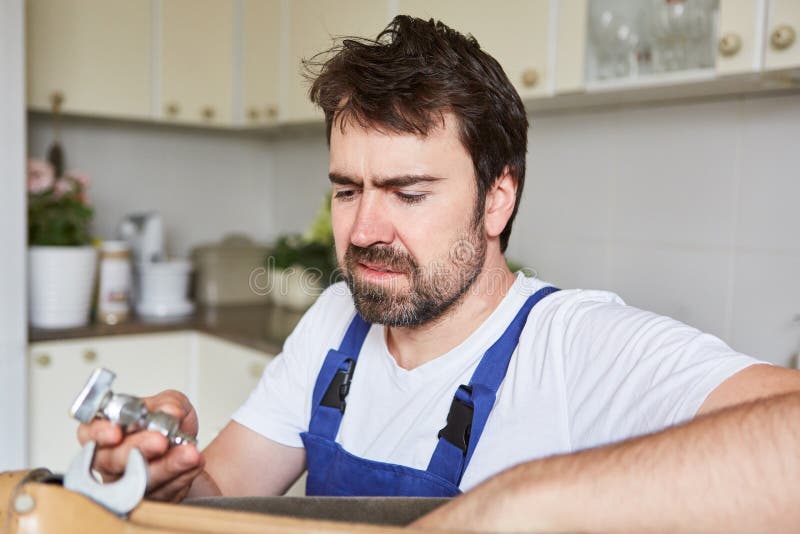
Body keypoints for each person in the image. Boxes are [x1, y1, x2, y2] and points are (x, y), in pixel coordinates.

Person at [79, 16, 800, 531]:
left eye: (409, 193)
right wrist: (169, 475)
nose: (363, 231)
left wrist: (514, 503)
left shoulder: (572, 345)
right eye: (348, 189)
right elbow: (223, 500)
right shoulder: (334, 324)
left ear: (498, 199)